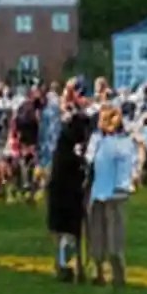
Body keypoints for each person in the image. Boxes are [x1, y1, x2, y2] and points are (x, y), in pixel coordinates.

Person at [86, 106, 135, 287]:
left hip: (116, 193)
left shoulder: (124, 142)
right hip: (99, 192)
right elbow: (89, 160)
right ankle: (99, 272)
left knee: (114, 238)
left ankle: (117, 275)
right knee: (98, 235)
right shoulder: (97, 140)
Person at [47, 101, 94, 282]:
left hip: (59, 190)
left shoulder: (62, 145)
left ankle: (61, 265)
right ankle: (77, 267)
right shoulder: (72, 151)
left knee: (60, 232)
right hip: (70, 192)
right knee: (73, 231)